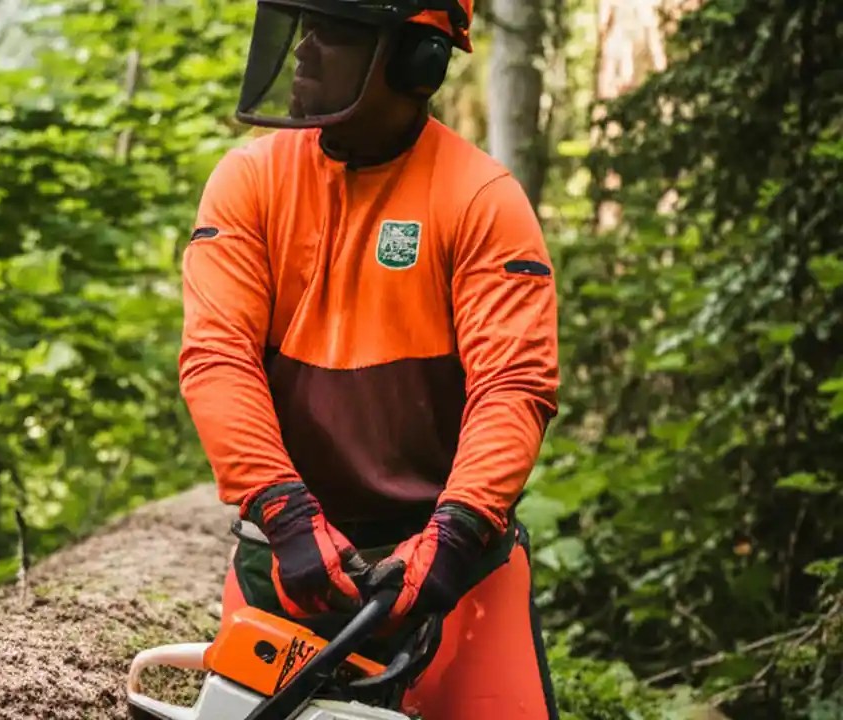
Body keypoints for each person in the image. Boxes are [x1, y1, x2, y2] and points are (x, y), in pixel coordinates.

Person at [177, 1, 561, 717]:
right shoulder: (250, 182)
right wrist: (286, 515)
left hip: (453, 568)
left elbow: (513, 386)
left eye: (333, 34)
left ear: (417, 61)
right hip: (288, 561)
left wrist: (456, 532)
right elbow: (217, 358)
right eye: (302, 26)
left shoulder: (481, 198)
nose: (304, 50)